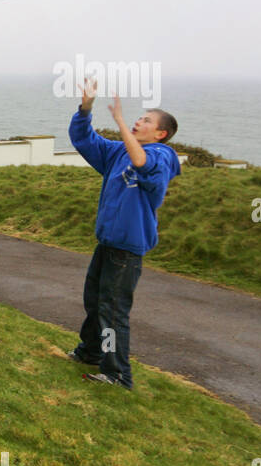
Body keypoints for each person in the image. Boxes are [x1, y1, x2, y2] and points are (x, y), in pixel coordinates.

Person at [67, 79, 180, 388]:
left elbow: (141, 163)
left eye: (145, 120)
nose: (137, 121)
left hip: (127, 249)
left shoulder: (163, 157)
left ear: (161, 134)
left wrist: (117, 120)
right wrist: (86, 108)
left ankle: (117, 373)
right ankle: (89, 352)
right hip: (106, 243)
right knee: (95, 302)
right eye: (138, 117)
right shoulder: (117, 153)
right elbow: (83, 139)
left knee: (112, 310)